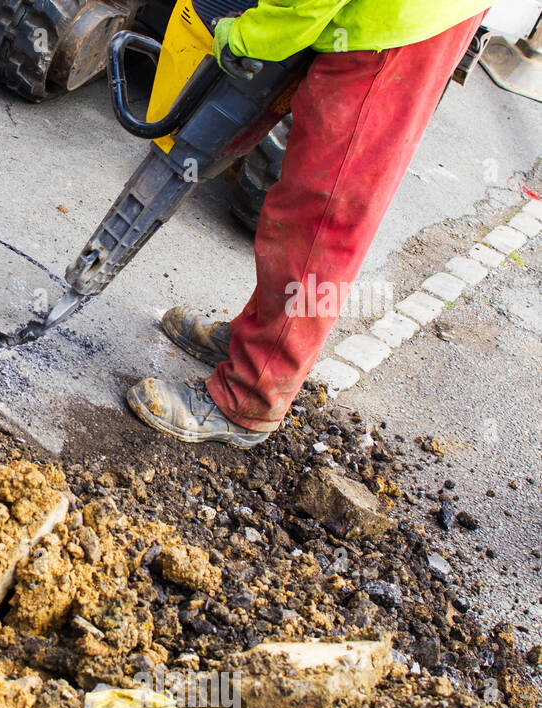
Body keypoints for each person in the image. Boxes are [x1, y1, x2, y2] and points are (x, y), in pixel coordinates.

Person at [126, 0, 491, 448]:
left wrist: (250, 36)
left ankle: (250, 397)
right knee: (303, 195)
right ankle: (254, 343)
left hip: (390, 29)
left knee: (322, 216)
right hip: (406, 17)